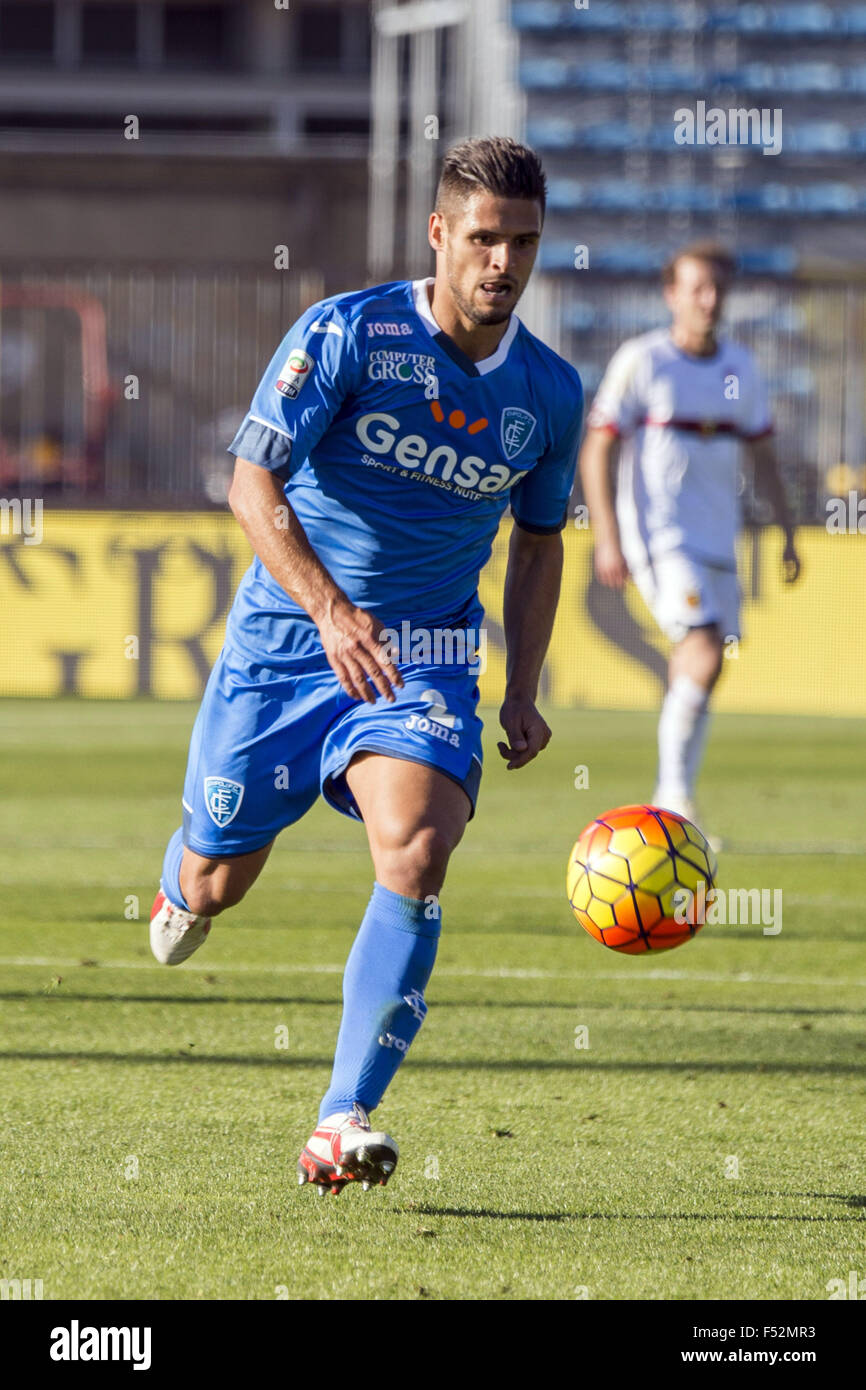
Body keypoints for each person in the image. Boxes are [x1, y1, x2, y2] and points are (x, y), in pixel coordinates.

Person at [149, 136, 584, 1195]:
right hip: (286, 644)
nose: (502, 263)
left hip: (423, 658)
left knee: (419, 848)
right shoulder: (346, 332)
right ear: (440, 234)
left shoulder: (549, 392)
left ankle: (340, 1117)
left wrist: (521, 684)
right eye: (483, 238)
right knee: (215, 876)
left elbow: (537, 541)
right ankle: (183, 884)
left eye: (521, 243)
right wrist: (330, 609)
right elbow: (253, 483)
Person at [580, 241, 800, 841]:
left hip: (717, 544)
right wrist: (608, 536)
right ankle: (674, 798)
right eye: (697, 287)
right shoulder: (644, 361)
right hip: (660, 540)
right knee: (702, 648)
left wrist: (785, 532)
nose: (709, 299)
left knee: (705, 667)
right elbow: (598, 447)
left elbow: (762, 456)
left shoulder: (740, 369)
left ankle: (673, 802)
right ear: (671, 294)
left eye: (718, 289)